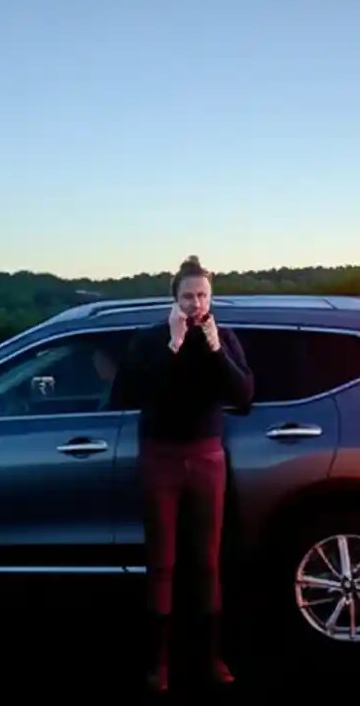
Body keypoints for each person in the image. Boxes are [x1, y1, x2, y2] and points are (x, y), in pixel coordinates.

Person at [109, 255, 254, 692]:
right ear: (173, 298)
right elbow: (125, 394)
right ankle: (158, 664)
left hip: (206, 456)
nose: (196, 304)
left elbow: (243, 396)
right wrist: (172, 346)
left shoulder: (223, 338)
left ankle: (211, 658)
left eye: (203, 295)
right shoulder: (151, 339)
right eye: (188, 296)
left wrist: (213, 350)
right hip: (160, 457)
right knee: (163, 563)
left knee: (208, 562)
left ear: (212, 297)